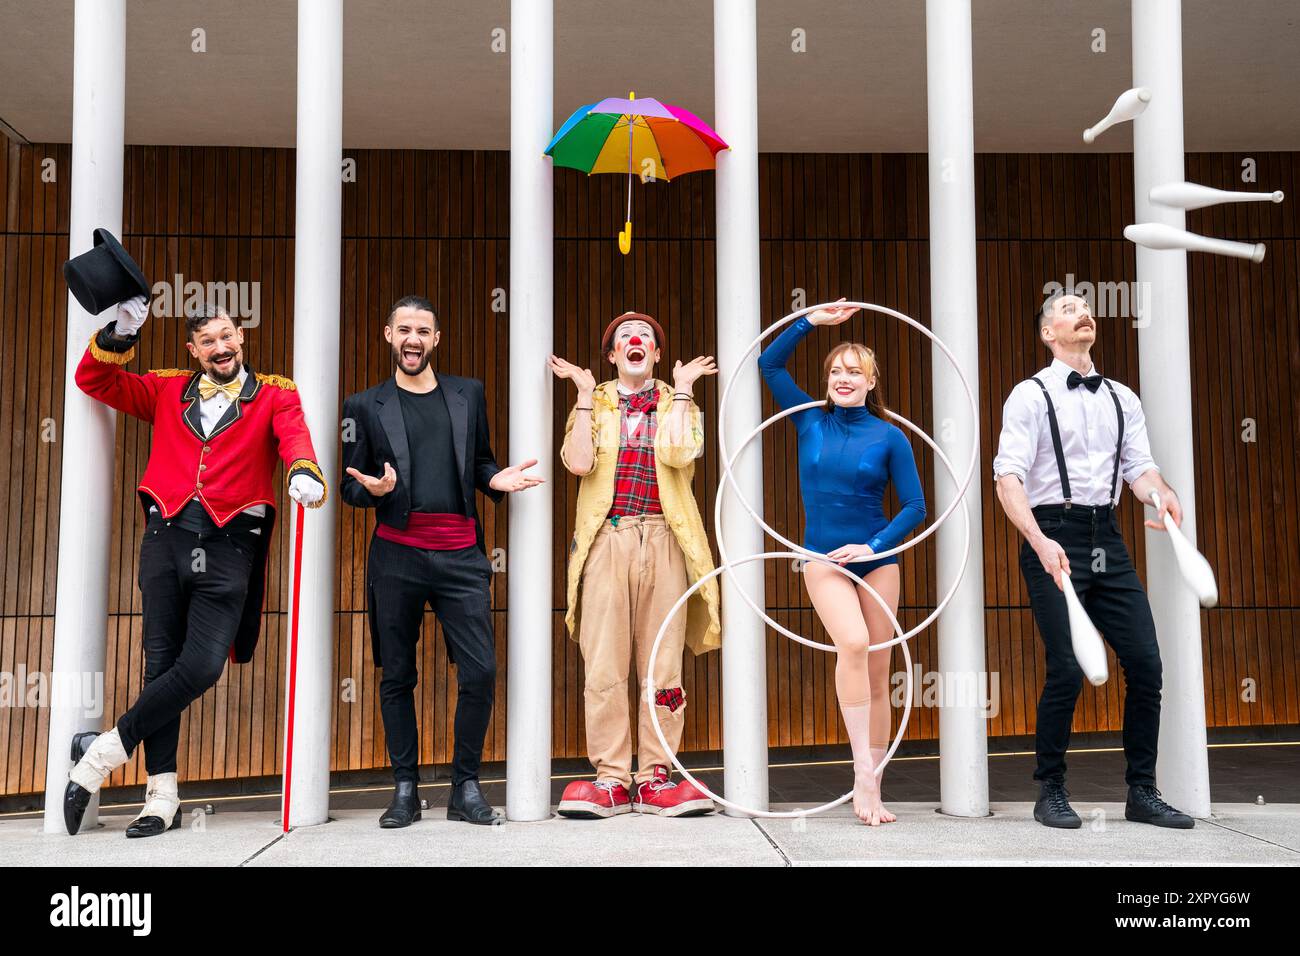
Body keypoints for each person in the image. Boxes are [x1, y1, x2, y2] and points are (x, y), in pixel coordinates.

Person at [65, 296, 326, 837]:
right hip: (166, 537)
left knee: (203, 665)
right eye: (208, 341)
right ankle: (161, 796)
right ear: (194, 350)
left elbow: (295, 436)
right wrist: (120, 332)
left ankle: (100, 753)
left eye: (227, 336)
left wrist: (305, 470)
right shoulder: (166, 387)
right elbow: (95, 382)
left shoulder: (276, 393)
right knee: (160, 665)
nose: (220, 347)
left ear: (241, 338)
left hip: (231, 543)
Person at [993, 289, 1194, 829]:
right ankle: (1049, 790)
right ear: (1046, 333)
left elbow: (1140, 470)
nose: (1082, 312)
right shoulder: (1029, 396)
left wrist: (1161, 494)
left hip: (1106, 537)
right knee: (1067, 670)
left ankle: (1142, 792)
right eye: (1066, 308)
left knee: (1147, 664)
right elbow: (1007, 477)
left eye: (1085, 306)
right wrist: (1038, 541)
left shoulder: (1122, 398)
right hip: (1052, 535)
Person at [341, 295, 542, 828]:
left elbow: (479, 460)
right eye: (404, 329)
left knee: (480, 671)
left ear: (436, 339)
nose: (413, 339)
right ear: (389, 335)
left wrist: (496, 479)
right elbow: (349, 485)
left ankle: (465, 787)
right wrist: (377, 489)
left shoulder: (466, 394)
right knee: (397, 675)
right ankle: (405, 790)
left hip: (461, 554)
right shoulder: (363, 405)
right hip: (397, 553)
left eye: (423, 331)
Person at [757, 298, 926, 826]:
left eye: (854, 371)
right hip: (824, 558)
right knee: (852, 643)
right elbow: (769, 365)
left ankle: (874, 783)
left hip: (876, 559)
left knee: (879, 667)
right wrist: (812, 321)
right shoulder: (809, 420)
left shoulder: (891, 435)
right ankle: (860, 771)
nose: (843, 378)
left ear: (872, 381)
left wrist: (874, 547)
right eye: (835, 370)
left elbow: (916, 507)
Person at [549, 311, 720, 818]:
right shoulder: (594, 404)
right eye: (624, 337)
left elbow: (678, 452)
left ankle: (655, 776)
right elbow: (578, 463)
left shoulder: (676, 400)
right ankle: (611, 777)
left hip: (665, 538)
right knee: (604, 661)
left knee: (662, 663)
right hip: (609, 536)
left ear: (658, 355)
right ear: (611, 356)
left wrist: (686, 390)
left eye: (645, 337)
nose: (635, 340)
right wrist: (581, 395)